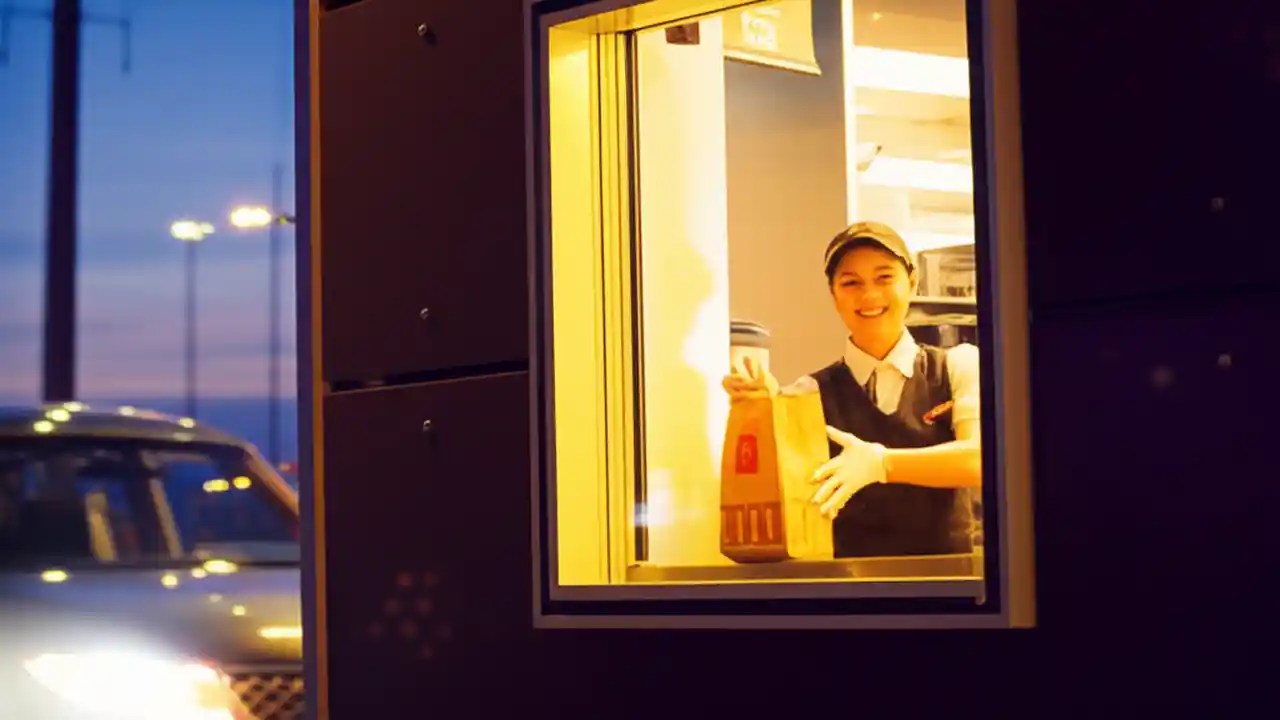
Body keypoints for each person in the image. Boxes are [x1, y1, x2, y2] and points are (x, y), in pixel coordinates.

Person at [723, 221, 981, 557]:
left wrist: (881, 464)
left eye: (884, 277)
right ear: (833, 294)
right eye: (850, 283)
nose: (869, 295)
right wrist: (767, 409)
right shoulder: (810, 392)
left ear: (912, 282)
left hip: (949, 585)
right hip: (849, 586)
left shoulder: (957, 366)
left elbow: (978, 460)